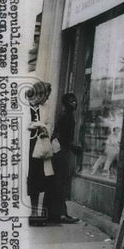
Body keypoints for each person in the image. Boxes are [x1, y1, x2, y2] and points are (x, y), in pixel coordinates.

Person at [46, 92, 82, 224]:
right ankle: (60, 214)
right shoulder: (66, 116)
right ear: (65, 103)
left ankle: (55, 213)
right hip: (61, 152)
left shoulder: (67, 115)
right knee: (60, 183)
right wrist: (73, 147)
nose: (74, 103)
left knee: (57, 183)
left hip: (60, 151)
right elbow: (60, 136)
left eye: (75, 100)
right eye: (71, 101)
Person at [26, 81, 54, 226]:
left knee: (40, 180)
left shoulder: (45, 107)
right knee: (31, 179)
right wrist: (31, 126)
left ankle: (38, 214)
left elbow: (49, 123)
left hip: (41, 146)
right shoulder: (26, 105)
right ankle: (33, 212)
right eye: (46, 95)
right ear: (40, 94)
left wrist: (45, 128)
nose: (47, 98)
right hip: (28, 146)